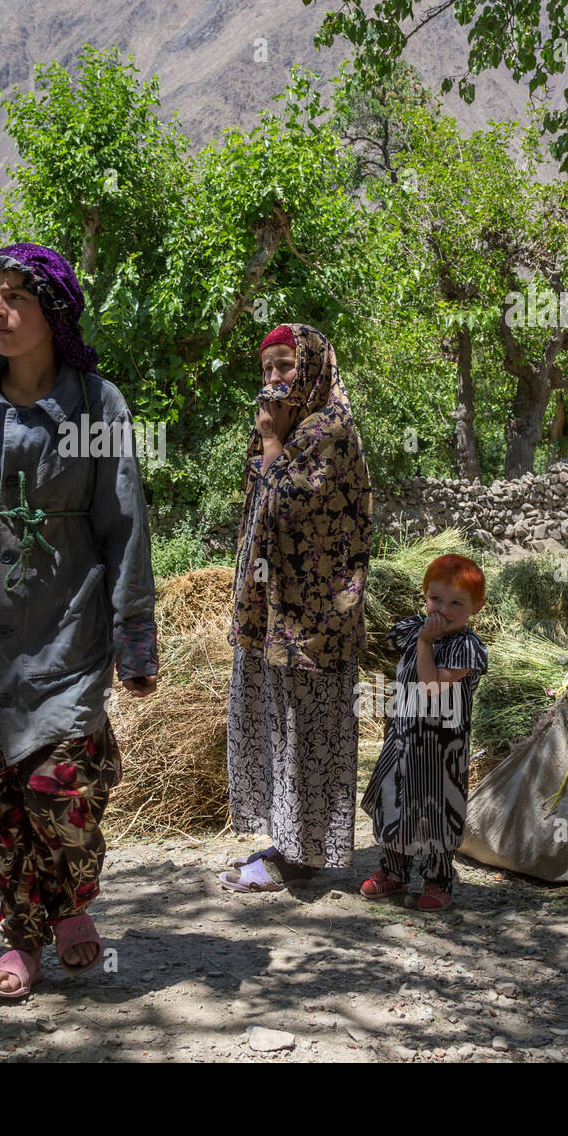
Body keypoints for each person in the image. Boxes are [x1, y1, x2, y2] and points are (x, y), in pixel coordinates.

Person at [0, 241, 158, 1000]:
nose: (0, 310)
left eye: (17, 295)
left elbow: (123, 521)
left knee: (64, 785)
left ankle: (73, 902)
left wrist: (134, 638)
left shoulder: (96, 402)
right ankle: (25, 935)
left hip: (68, 623)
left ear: (53, 309)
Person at [219, 324, 372, 893]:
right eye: (267, 370)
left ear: (311, 366)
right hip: (276, 612)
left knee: (308, 726)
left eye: (285, 366)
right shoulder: (293, 427)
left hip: (314, 621)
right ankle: (287, 842)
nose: (275, 380)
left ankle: (302, 855)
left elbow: (291, 512)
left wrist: (272, 443)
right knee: (280, 724)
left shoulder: (328, 431)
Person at [360, 554, 489, 911]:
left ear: (476, 607)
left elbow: (432, 686)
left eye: (456, 603)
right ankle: (394, 872)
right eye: (435, 598)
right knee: (394, 804)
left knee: (437, 811)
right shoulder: (414, 628)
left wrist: (425, 644)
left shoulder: (464, 648)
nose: (442, 609)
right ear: (424, 595)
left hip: (442, 749)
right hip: (402, 739)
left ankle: (437, 879)